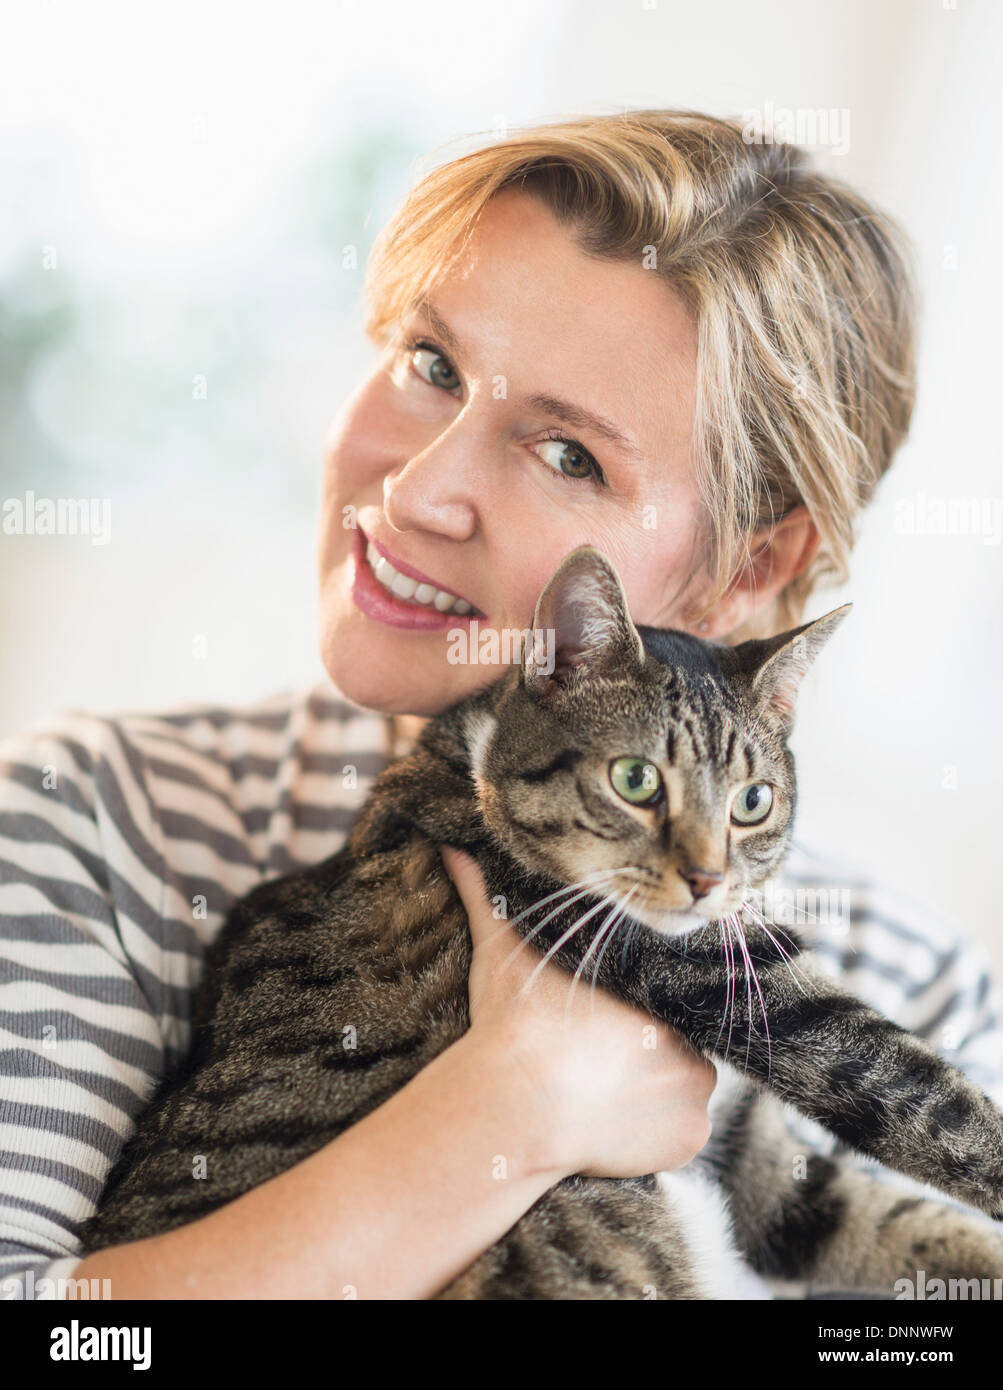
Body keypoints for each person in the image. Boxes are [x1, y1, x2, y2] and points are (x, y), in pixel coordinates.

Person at [2, 110, 1000, 1302]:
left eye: (569, 454)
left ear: (752, 568)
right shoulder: (96, 827)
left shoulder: (917, 975)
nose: (419, 493)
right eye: (432, 365)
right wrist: (507, 1115)